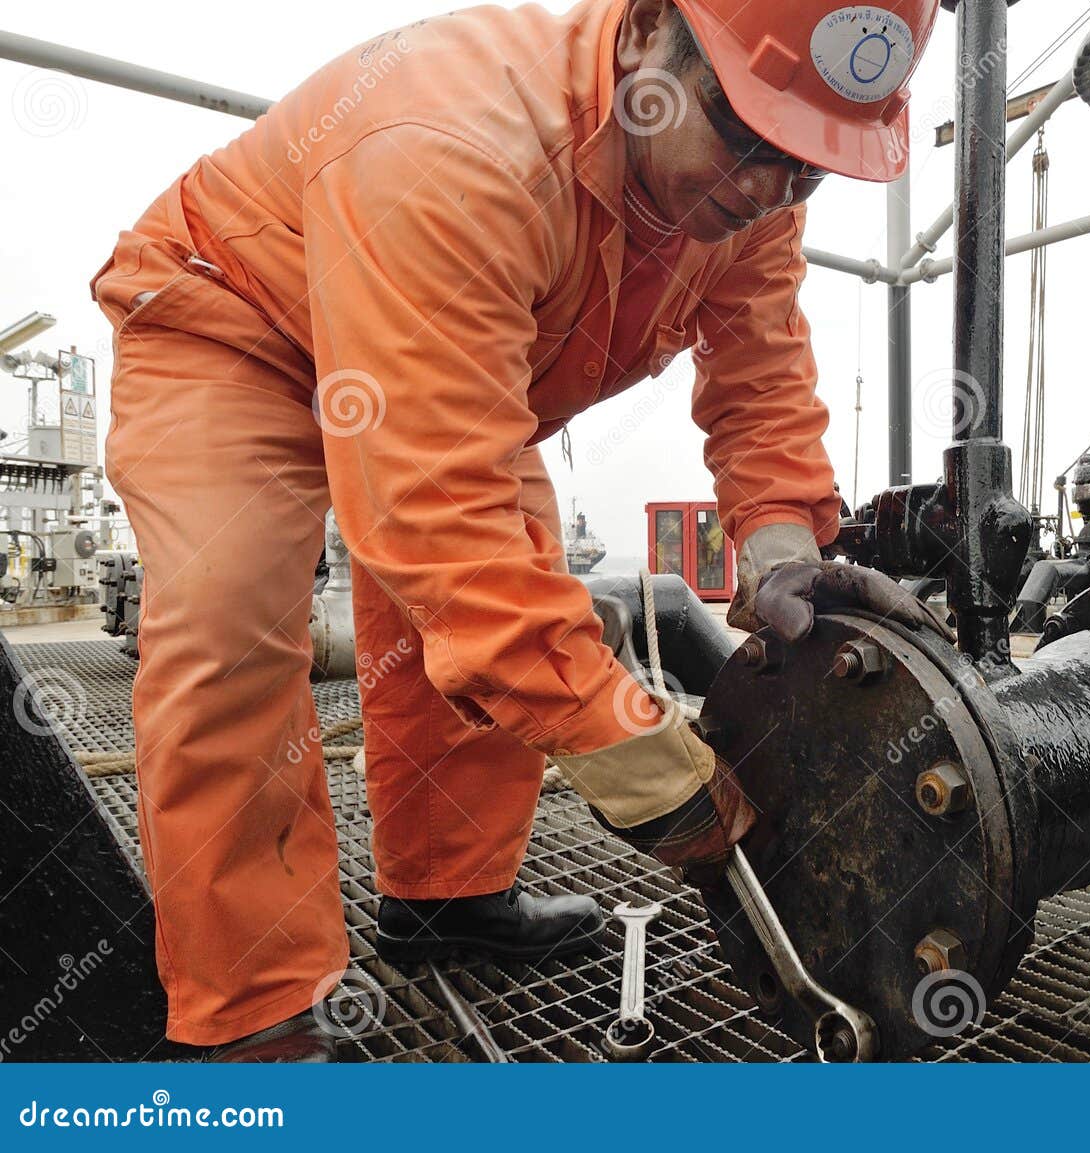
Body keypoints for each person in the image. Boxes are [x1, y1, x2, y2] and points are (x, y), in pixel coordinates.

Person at [89, 0, 944, 1061]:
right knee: (227, 631)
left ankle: (445, 892)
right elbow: (441, 514)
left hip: (441, 373)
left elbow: (760, 367)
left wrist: (782, 543)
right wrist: (627, 749)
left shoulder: (751, 190)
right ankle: (252, 1014)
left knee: (512, 584)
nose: (771, 185)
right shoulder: (456, 139)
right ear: (643, 39)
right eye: (748, 136)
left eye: (807, 166)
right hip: (241, 326)